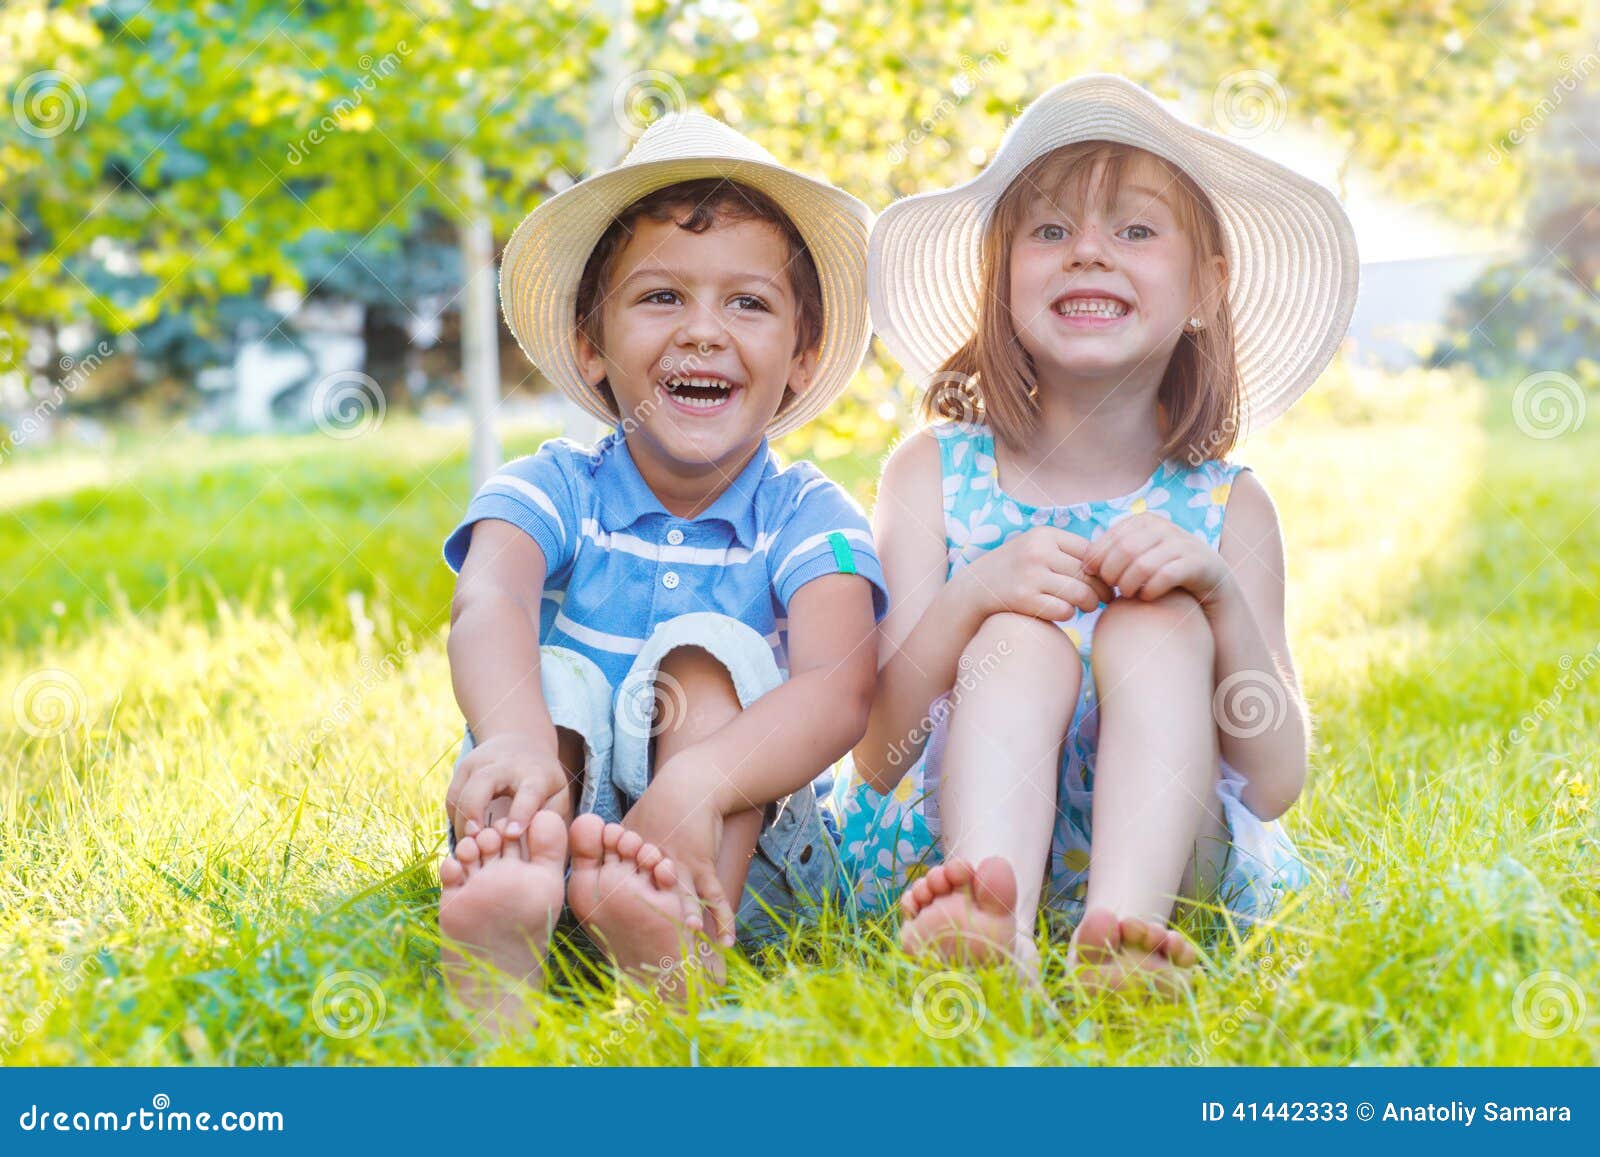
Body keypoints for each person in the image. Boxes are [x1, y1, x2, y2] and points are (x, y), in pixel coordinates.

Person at [835, 74, 1358, 994]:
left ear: (1205, 288)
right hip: (945, 856)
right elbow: (878, 750)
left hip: (1174, 862)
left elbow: (1273, 781)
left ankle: (1123, 936)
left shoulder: (1227, 506)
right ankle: (989, 923)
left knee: (1162, 621)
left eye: (1135, 229)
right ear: (1001, 288)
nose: (1087, 253)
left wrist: (1220, 597)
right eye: (1048, 231)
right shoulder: (934, 474)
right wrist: (972, 596)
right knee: (1012, 636)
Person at [437, 112, 888, 1031]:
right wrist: (518, 742)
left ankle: (682, 939)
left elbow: (842, 690)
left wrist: (699, 783)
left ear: (801, 359)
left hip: (747, 857)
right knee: (550, 683)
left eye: (748, 303)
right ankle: (516, 904)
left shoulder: (809, 515)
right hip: (556, 820)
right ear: (592, 345)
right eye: (660, 298)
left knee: (704, 655)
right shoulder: (552, 487)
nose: (703, 333)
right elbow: (489, 598)